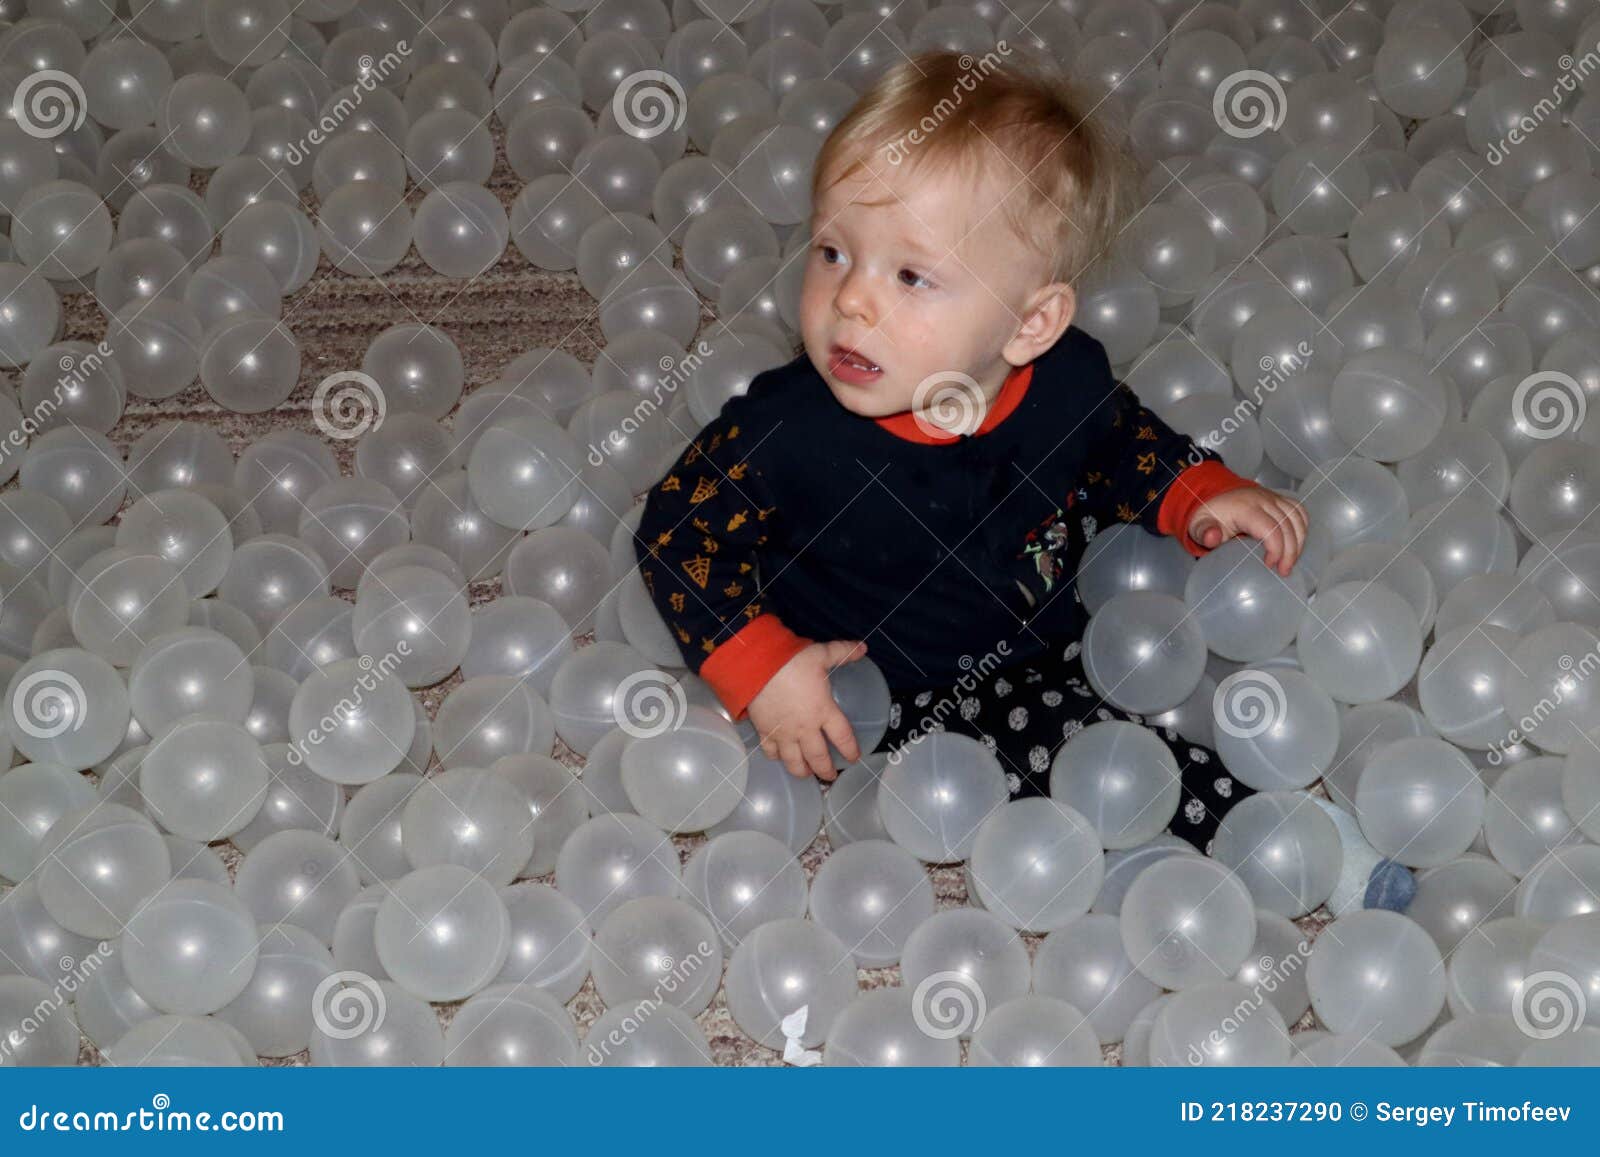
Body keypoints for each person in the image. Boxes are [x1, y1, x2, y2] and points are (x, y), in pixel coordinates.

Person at [633, 49, 1309, 850]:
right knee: (1080, 750)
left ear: (1030, 325)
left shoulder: (1066, 380)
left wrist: (1199, 487)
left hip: (1059, 603)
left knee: (1227, 646)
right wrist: (764, 664)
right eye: (831, 252)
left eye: (912, 276)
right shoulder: (791, 431)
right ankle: (1280, 841)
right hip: (913, 685)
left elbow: (1121, 442)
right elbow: (678, 532)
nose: (850, 298)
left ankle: (1292, 785)